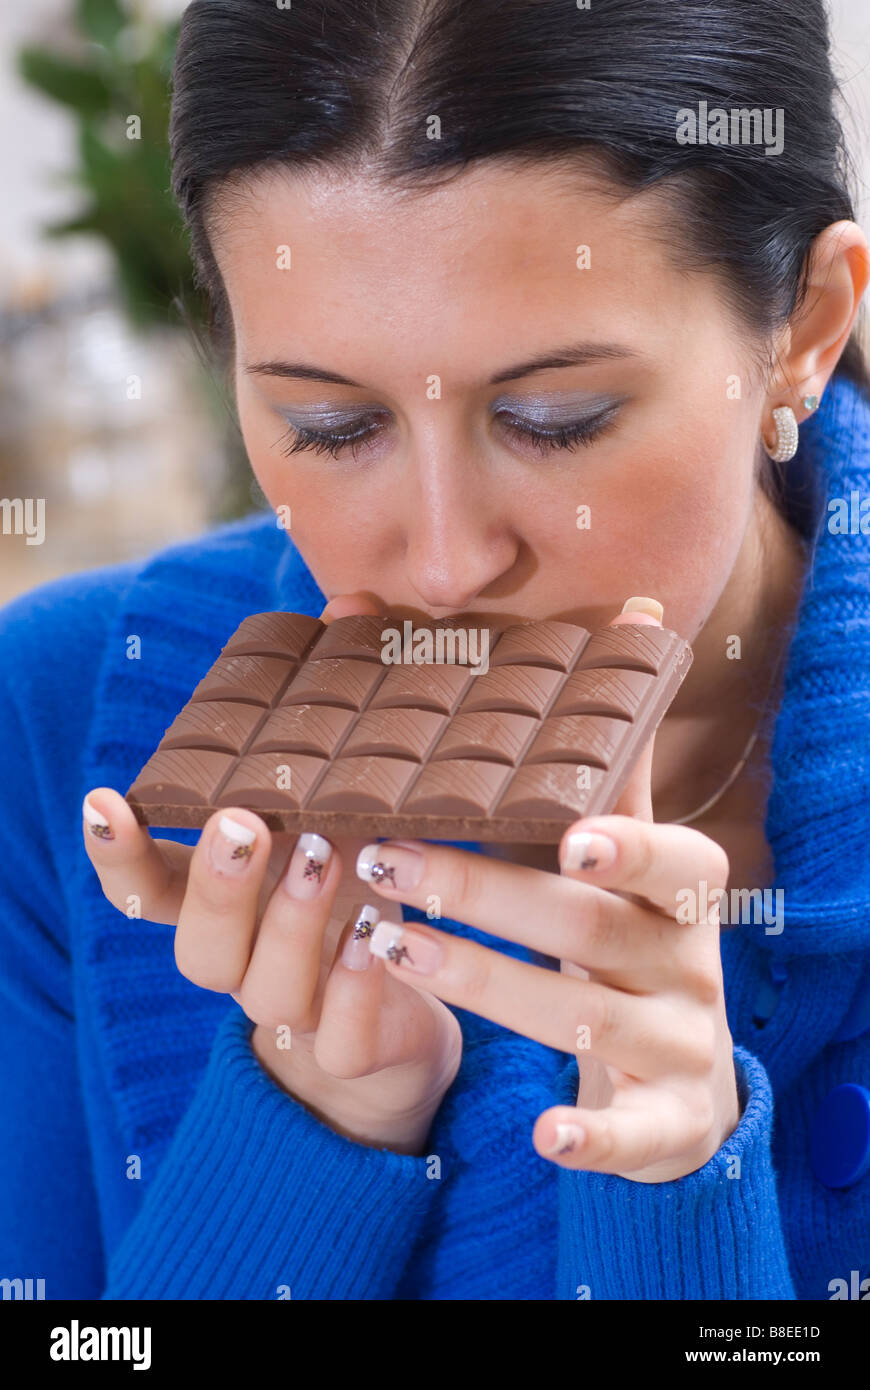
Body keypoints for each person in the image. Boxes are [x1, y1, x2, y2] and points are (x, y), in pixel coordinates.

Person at [1, 0, 869, 1300]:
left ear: (801, 325)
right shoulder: (56, 716)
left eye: (554, 417)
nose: (447, 560)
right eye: (331, 424)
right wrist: (309, 1122)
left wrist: (675, 1193)